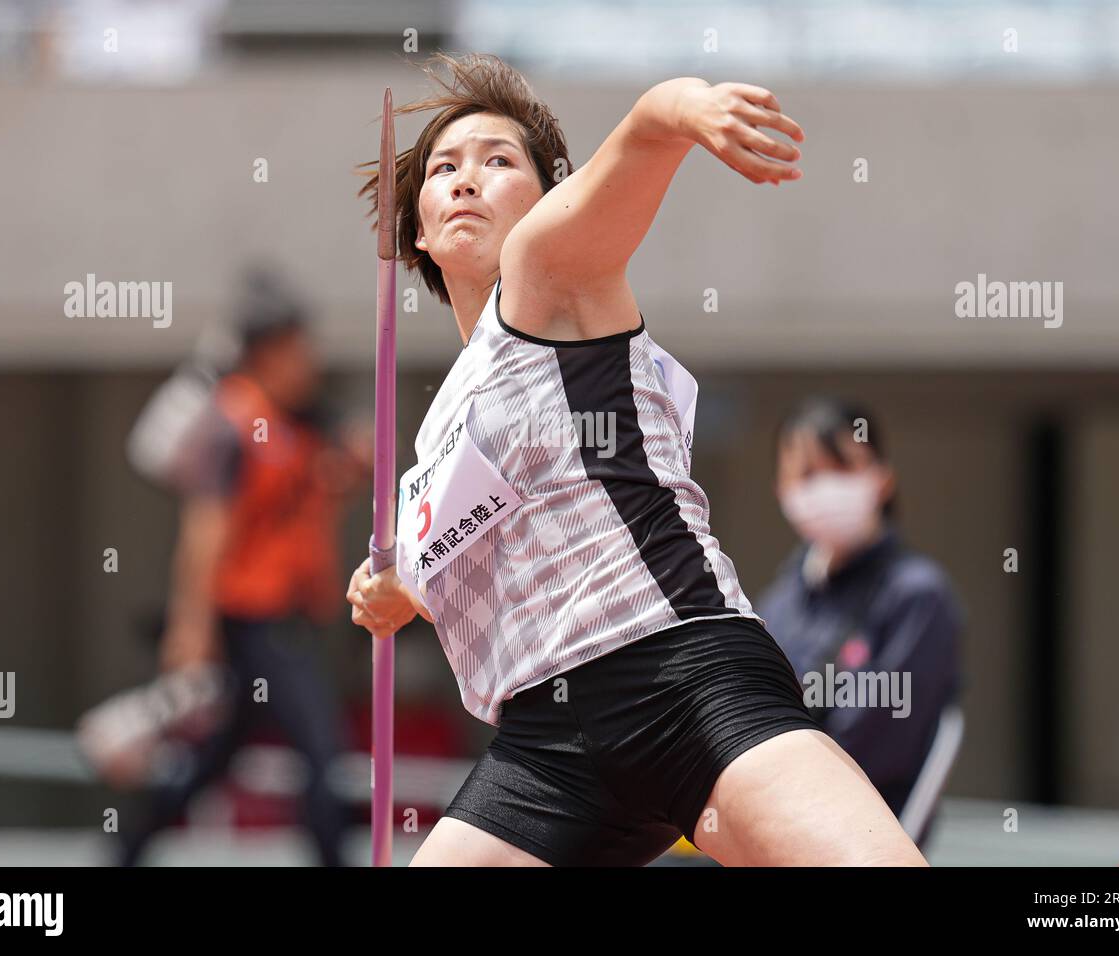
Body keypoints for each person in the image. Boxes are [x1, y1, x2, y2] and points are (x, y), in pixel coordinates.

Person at [350, 52, 926, 866]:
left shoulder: (547, 273)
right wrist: (394, 588)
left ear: (553, 195)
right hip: (546, 746)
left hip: (682, 674)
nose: (467, 179)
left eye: (498, 160)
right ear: (417, 228)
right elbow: (466, 544)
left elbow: (641, 137)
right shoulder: (437, 438)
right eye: (445, 169)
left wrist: (685, 112)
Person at [117, 269, 369, 866]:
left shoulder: (299, 419)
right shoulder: (235, 423)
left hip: (287, 611)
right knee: (322, 751)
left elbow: (328, 486)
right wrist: (189, 628)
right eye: (297, 347)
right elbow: (205, 532)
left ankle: (122, 854)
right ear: (266, 352)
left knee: (215, 758)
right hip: (254, 618)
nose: (309, 359)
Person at [756, 397, 964, 847]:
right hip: (764, 830)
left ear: (881, 478)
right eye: (808, 473)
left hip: (852, 842)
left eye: (844, 467)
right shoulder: (779, 601)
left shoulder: (916, 596)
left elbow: (868, 749)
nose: (826, 487)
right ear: (781, 488)